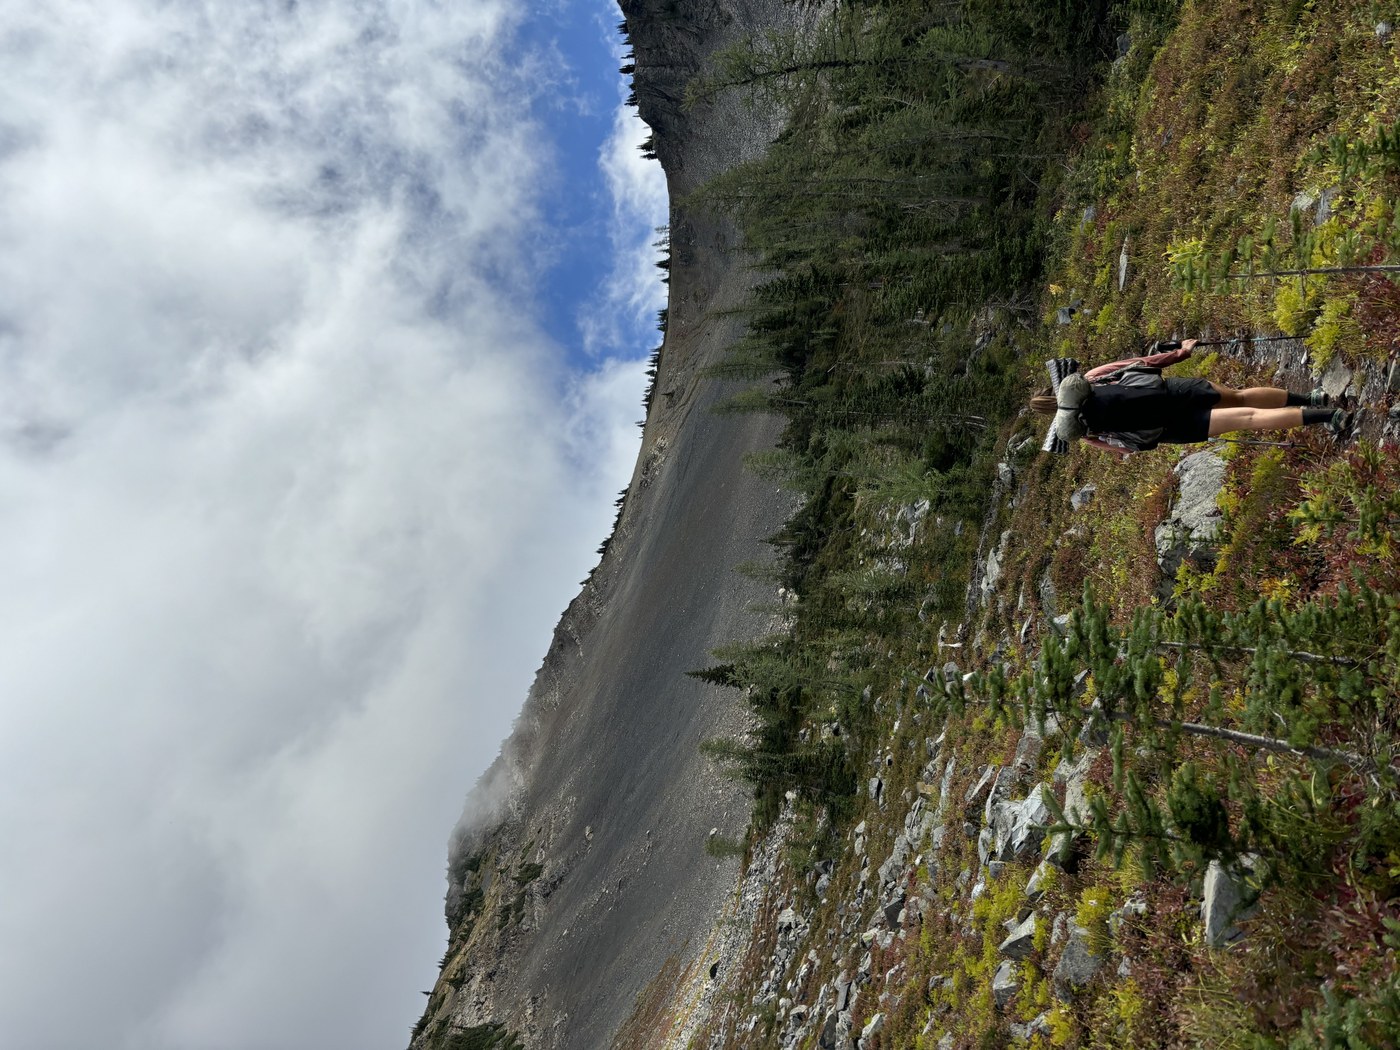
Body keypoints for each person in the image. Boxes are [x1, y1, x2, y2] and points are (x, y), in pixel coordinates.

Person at [1033, 338, 1352, 456]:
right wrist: (1181, 352)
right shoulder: (1091, 378)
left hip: (1171, 429)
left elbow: (1125, 448)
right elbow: (1142, 364)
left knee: (1250, 420)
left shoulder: (1084, 432)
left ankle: (1331, 418)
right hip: (1174, 392)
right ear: (1059, 388)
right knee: (1241, 397)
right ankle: (1313, 398)